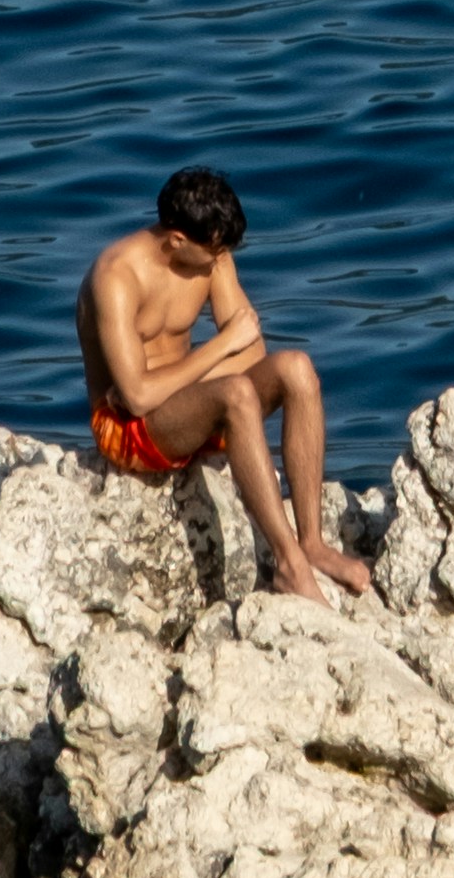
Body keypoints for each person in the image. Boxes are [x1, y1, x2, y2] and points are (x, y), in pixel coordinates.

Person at [75, 166, 368, 601]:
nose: (220, 259)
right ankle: (288, 565)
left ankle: (313, 542)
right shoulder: (116, 277)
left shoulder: (214, 257)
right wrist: (219, 348)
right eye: (213, 250)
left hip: (184, 407)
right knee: (235, 394)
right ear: (177, 240)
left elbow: (252, 353)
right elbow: (135, 400)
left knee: (296, 369)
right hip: (129, 431)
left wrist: (185, 375)